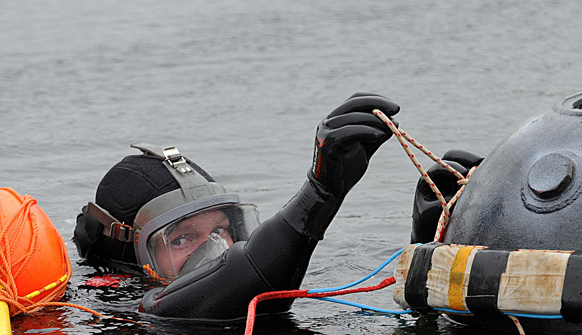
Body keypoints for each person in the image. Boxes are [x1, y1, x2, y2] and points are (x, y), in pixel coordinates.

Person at [73, 93, 400, 322]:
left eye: (221, 229)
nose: (216, 248)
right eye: (181, 239)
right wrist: (320, 193)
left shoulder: (281, 272)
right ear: (130, 260)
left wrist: (421, 245)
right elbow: (243, 273)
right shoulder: (131, 318)